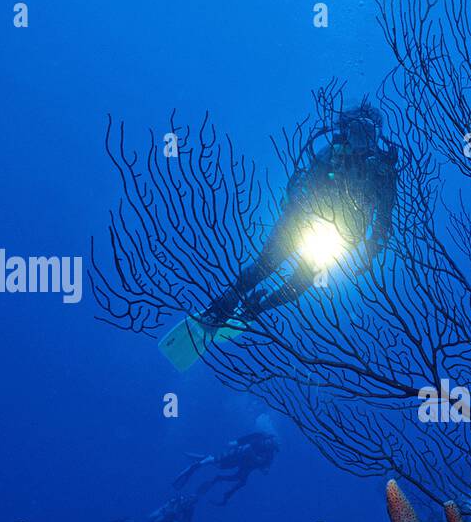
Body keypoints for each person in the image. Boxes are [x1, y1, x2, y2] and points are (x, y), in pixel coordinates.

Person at [160, 100, 399, 370]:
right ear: (345, 130)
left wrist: (371, 250)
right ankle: (221, 307)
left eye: (367, 134)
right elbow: (302, 181)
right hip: (301, 222)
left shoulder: (383, 172)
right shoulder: (330, 153)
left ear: (377, 137)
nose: (361, 140)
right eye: (356, 131)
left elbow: (384, 220)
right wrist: (298, 205)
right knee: (264, 266)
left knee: (300, 283)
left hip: (339, 236)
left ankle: (257, 308)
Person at [173, 429, 279, 505]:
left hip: (244, 464)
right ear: (268, 438)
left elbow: (266, 470)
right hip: (237, 456)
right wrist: (236, 443)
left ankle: (207, 462)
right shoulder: (259, 437)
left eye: (272, 446)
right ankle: (202, 462)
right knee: (218, 463)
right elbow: (245, 442)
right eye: (270, 442)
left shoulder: (270, 454)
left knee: (240, 479)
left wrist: (263, 467)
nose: (269, 446)